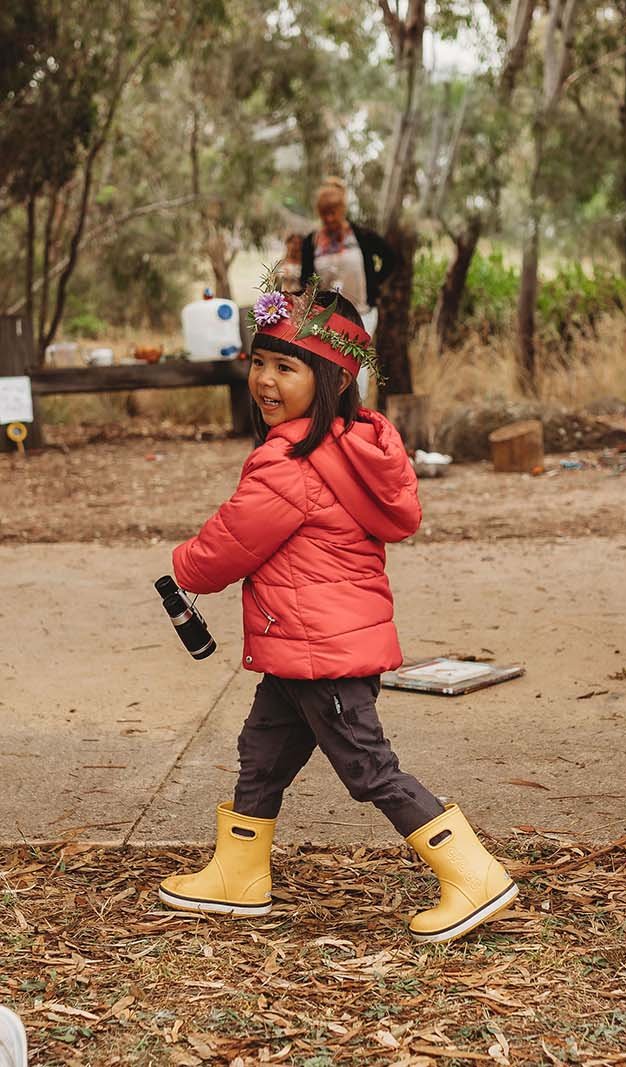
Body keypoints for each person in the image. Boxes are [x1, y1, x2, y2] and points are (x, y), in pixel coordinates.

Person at [157, 287, 517, 945]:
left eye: (287, 367)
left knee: (368, 768)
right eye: (259, 360)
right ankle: (238, 875)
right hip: (303, 647)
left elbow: (227, 545)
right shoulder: (350, 447)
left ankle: (474, 873)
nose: (265, 379)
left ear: (329, 379)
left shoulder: (288, 462)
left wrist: (182, 565)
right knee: (261, 753)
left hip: (320, 652)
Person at [300, 177, 395, 397]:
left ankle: (355, 413)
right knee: (329, 366)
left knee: (355, 362)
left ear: (342, 210)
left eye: (333, 212)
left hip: (362, 312)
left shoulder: (361, 236)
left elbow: (390, 258)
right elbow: (306, 279)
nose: (329, 218)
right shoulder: (311, 242)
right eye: (325, 213)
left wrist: (375, 285)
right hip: (326, 315)